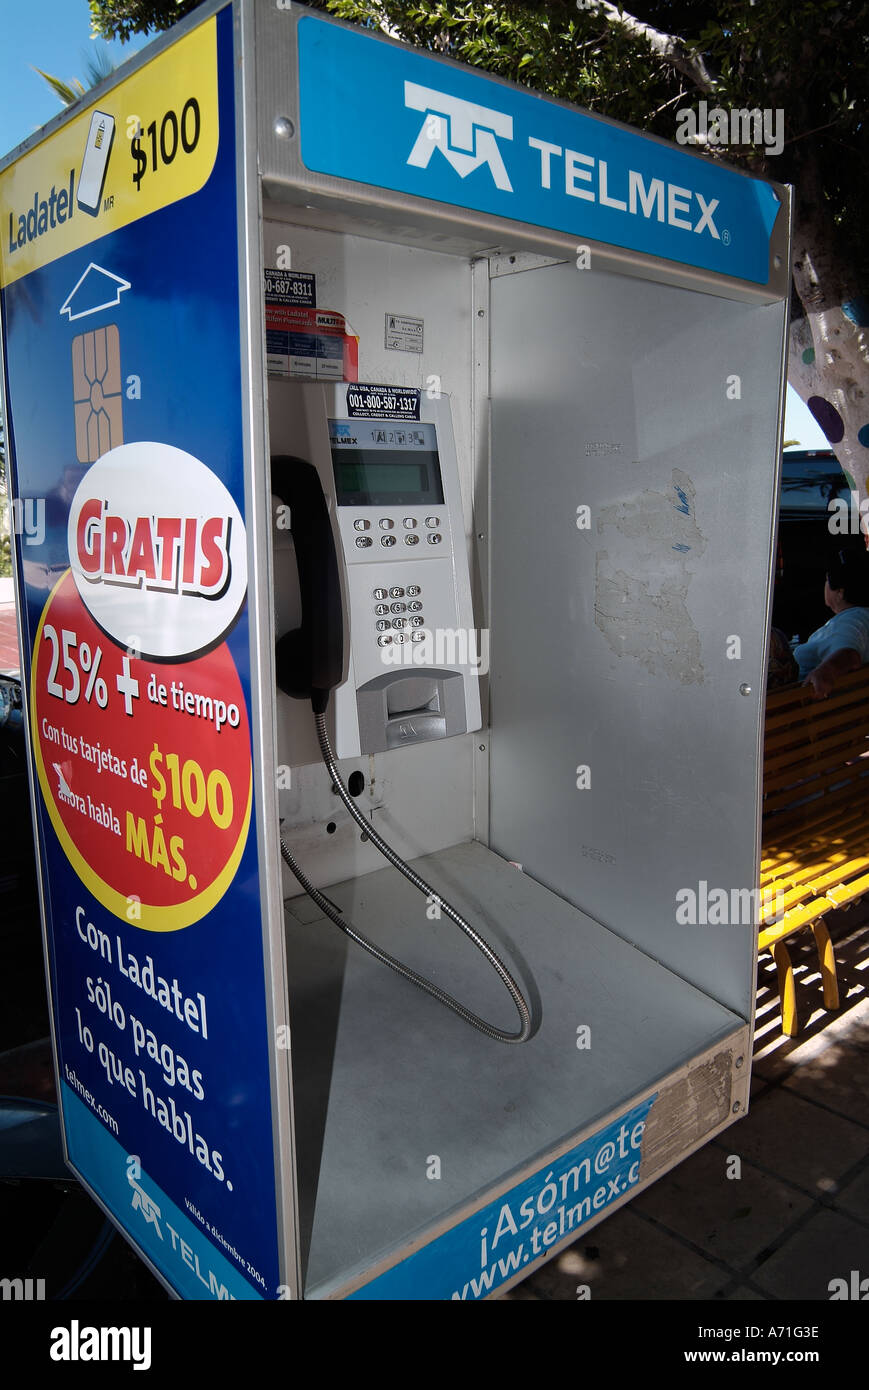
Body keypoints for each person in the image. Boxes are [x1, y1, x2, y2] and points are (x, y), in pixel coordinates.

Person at [793, 548, 869, 699]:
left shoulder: (852, 621)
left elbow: (850, 655)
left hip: (800, 709)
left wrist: (827, 670)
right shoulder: (861, 617)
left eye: (827, 580)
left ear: (840, 592)